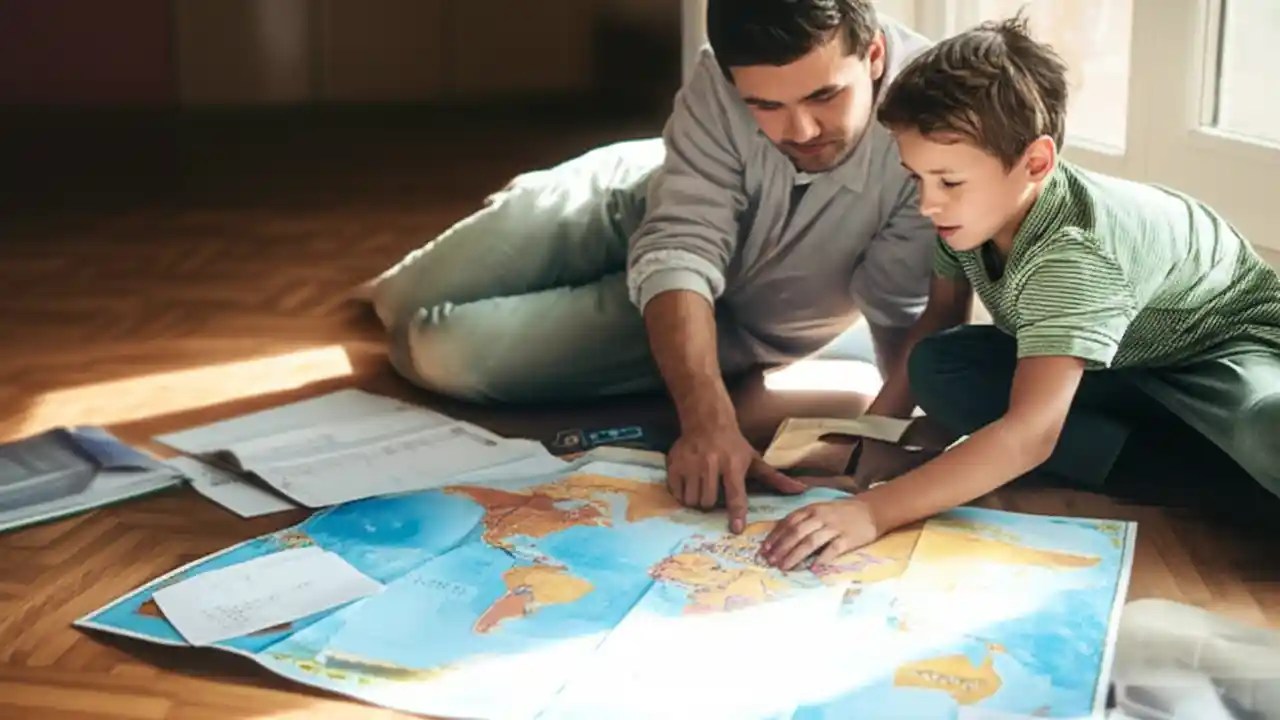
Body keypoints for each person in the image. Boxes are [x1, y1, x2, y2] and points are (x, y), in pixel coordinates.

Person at [366, 1, 938, 531]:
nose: (801, 131)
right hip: (632, 202)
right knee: (396, 298)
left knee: (436, 351)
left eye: (823, 96)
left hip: (735, 323)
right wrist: (707, 421)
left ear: (874, 56)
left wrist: (884, 440)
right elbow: (680, 244)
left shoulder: (934, 120)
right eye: (765, 106)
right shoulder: (721, 72)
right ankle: (542, 198)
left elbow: (903, 310)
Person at [761, 14, 1280, 571]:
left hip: (1224, 360)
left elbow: (1031, 435)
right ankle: (1186, 469)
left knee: (1263, 430)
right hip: (1123, 366)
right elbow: (938, 319)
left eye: (948, 181)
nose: (927, 203)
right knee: (938, 365)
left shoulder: (1074, 255)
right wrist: (868, 440)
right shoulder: (968, 216)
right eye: (916, 177)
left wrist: (872, 512)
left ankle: (1226, 486)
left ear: (1035, 163)